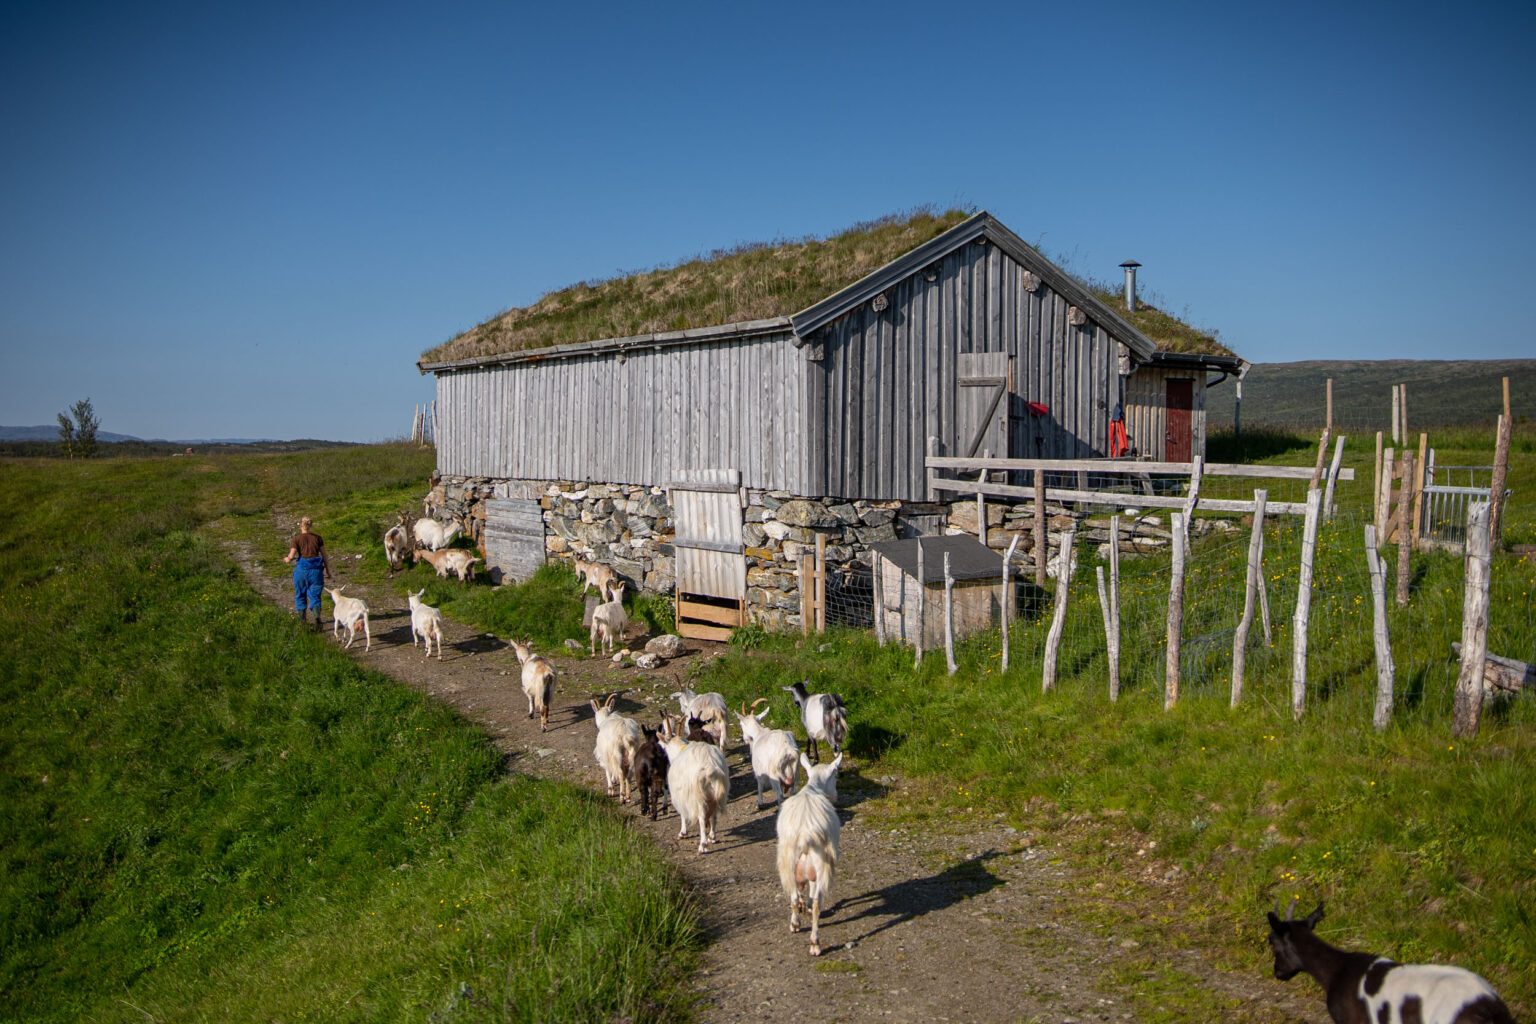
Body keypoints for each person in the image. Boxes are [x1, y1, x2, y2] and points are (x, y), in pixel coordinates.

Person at [283, 516, 332, 626]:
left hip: (301, 570)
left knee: (300, 594)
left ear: (301, 526)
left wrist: (287, 559)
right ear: (310, 526)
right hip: (316, 571)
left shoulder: (297, 539)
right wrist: (328, 571)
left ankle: (302, 621)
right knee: (315, 596)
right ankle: (317, 616)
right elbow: (324, 556)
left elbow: (291, 556)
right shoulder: (318, 538)